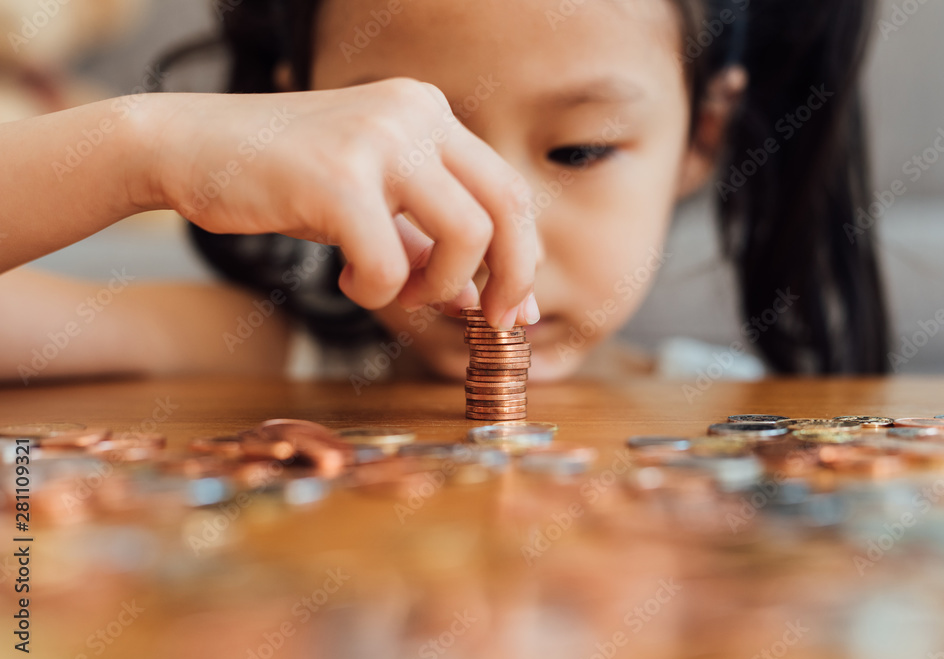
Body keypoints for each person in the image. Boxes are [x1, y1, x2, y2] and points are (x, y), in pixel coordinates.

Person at [0, 0, 888, 386]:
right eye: (409, 157)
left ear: (705, 135)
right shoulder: (270, 357)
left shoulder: (738, 415)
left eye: (579, 150)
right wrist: (141, 148)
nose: (497, 237)